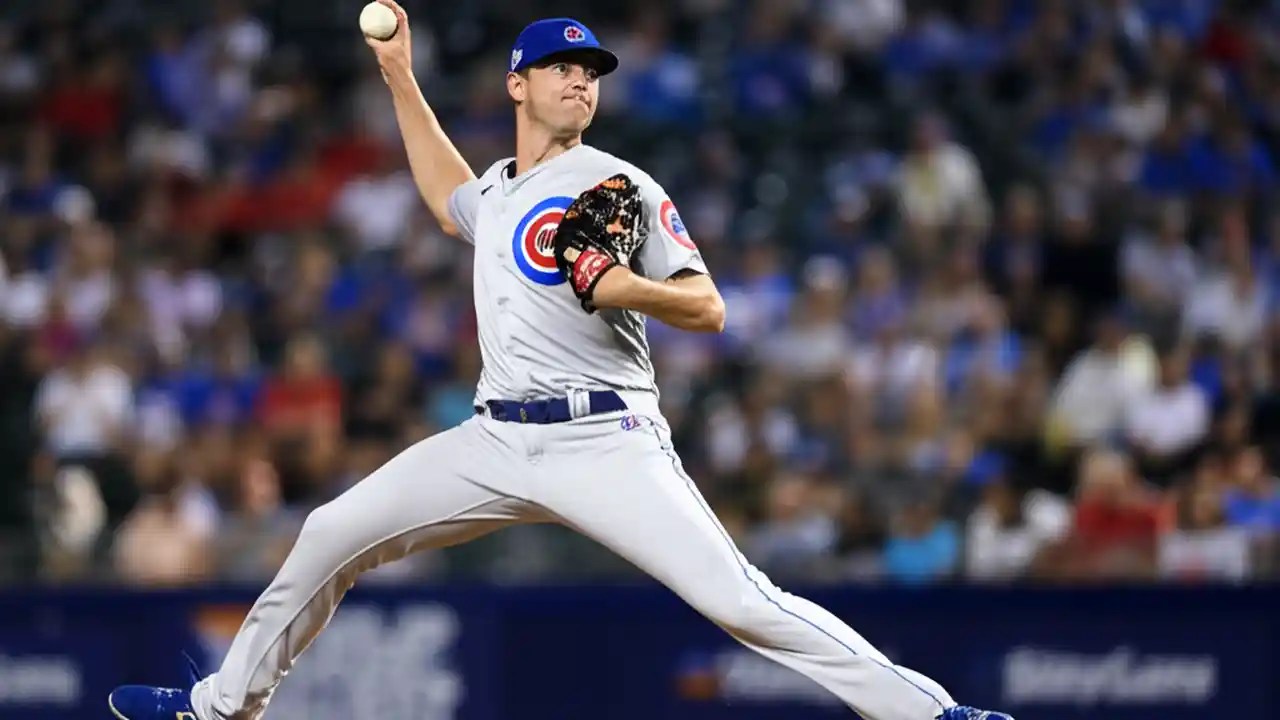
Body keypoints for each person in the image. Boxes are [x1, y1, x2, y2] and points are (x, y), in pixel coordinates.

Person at [107, 5, 1011, 720]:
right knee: (328, 534)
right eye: (562, 69)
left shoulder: (619, 184)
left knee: (740, 600)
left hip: (606, 436)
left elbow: (708, 304)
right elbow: (445, 194)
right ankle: (222, 709)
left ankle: (929, 713)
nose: (581, 82)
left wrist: (623, 288)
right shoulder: (500, 193)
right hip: (495, 437)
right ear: (518, 85)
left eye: (590, 74)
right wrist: (398, 76)